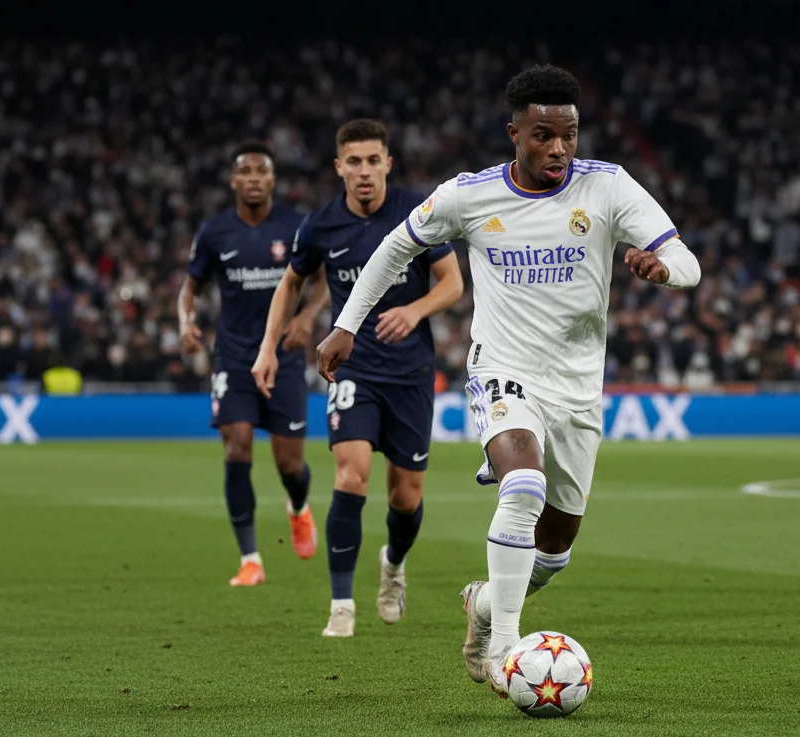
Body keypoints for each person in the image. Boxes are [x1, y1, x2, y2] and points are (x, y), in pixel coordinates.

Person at [314, 65, 701, 696]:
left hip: (576, 388)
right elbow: (394, 248)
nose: (558, 149)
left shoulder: (609, 188)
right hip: (502, 370)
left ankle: (485, 605)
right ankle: (504, 650)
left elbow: (688, 260)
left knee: (553, 550)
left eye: (569, 135)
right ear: (514, 132)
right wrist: (346, 325)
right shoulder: (470, 195)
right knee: (521, 481)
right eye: (543, 135)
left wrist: (663, 270)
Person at [252, 120, 464, 638]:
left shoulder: (418, 213)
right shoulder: (322, 224)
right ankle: (341, 604)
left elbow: (453, 284)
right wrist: (267, 346)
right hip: (354, 368)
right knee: (350, 476)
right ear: (339, 167)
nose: (364, 171)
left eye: (374, 160)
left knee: (405, 498)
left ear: (388, 163)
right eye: (354, 161)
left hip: (411, 371)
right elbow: (291, 284)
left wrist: (414, 312)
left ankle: (393, 564)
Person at [179, 141, 328, 587]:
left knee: (289, 466)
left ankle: (298, 508)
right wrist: (186, 322)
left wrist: (306, 315)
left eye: (262, 171)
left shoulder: (295, 226)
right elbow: (190, 289)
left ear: (273, 179)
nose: (255, 179)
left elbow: (323, 281)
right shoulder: (214, 232)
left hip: (284, 356)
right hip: (234, 356)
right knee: (236, 446)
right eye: (246, 171)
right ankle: (250, 559)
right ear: (234, 180)